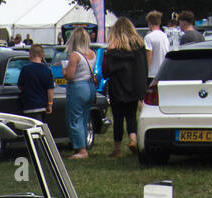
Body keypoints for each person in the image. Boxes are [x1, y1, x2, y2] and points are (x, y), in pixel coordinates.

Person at [102, 18, 147, 157]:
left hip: (118, 87)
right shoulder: (139, 47)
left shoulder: (113, 50)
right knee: (132, 116)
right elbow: (144, 67)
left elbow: (106, 71)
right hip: (135, 86)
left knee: (118, 118)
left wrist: (107, 55)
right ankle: (133, 140)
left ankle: (117, 149)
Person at [62, 26, 96, 158]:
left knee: (74, 118)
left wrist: (64, 70)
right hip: (89, 87)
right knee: (84, 118)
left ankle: (81, 150)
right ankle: (82, 146)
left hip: (77, 88)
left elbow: (70, 76)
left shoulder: (75, 55)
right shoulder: (92, 53)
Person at [17, 44, 55, 120]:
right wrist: (50, 104)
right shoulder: (47, 70)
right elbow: (50, 90)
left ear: (30, 54)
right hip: (42, 106)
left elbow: (20, 86)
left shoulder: (25, 69)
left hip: (28, 106)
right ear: (42, 55)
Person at [145, 11, 170, 78]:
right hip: (164, 72)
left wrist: (144, 72)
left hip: (152, 74)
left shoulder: (149, 37)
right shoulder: (165, 36)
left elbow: (149, 57)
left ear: (149, 22)